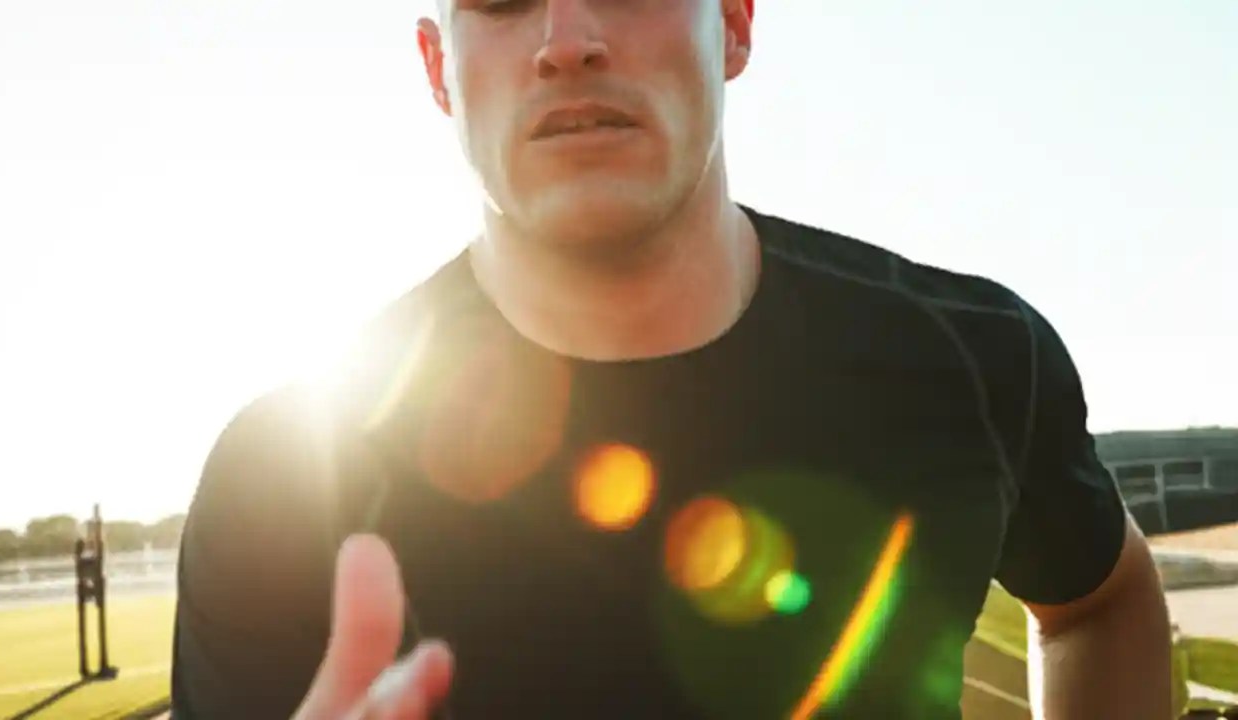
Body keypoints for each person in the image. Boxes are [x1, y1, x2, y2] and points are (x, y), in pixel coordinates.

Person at [169, 1, 1174, 718]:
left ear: (734, 23)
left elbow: (1098, 604)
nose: (566, 39)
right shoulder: (283, 472)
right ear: (437, 71)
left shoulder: (972, 356)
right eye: (502, 0)